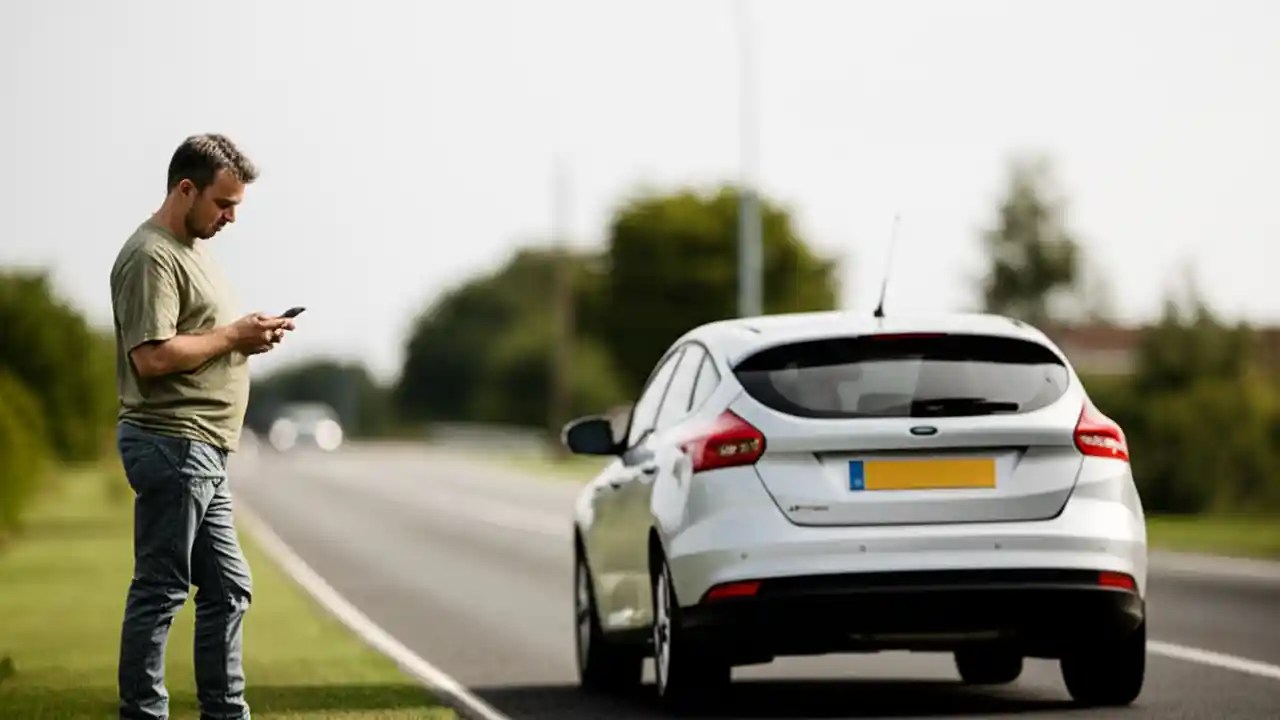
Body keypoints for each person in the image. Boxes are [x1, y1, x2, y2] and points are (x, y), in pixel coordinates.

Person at [110, 133, 294, 720]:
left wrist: (247, 338)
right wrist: (233, 336)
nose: (230, 217)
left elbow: (201, 342)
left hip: (203, 451)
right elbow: (153, 357)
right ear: (185, 189)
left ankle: (225, 713)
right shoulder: (151, 256)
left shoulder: (194, 249)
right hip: (172, 442)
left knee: (229, 589)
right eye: (223, 203)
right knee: (161, 590)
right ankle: (144, 713)